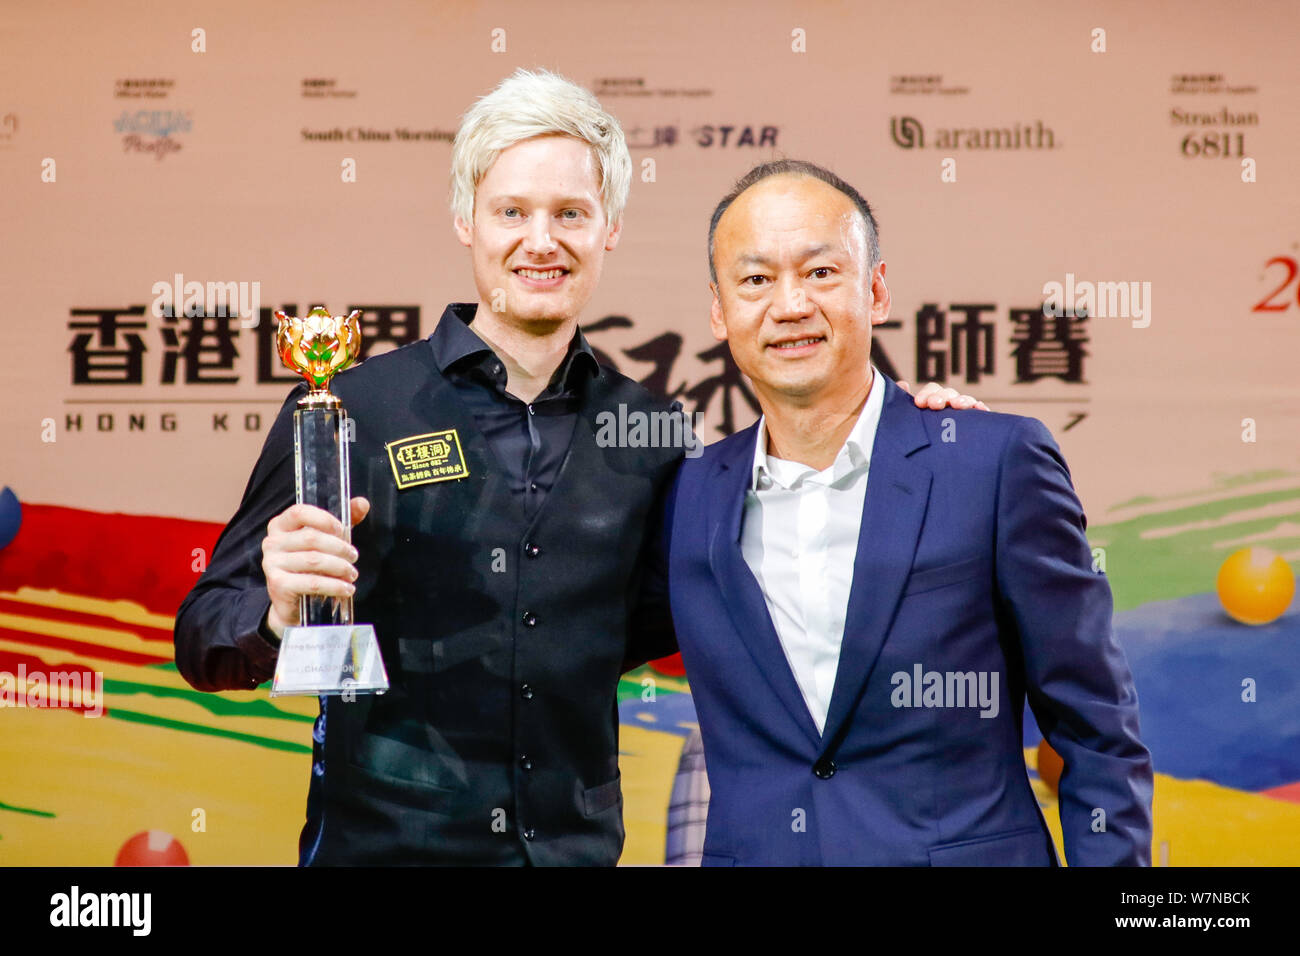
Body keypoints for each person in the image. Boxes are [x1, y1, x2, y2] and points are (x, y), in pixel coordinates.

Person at [174, 71, 976, 866]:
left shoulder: (657, 434)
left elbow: (776, 556)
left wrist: (902, 428)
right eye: (512, 212)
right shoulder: (353, 410)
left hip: (576, 855)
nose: (541, 240)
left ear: (610, 228)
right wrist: (279, 613)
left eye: (570, 214)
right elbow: (204, 639)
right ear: (466, 219)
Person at [664, 160, 1154, 866]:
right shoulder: (682, 501)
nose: (791, 304)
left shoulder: (991, 463)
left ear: (877, 289)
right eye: (755, 280)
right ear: (719, 310)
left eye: (821, 273)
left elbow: (1097, 728)